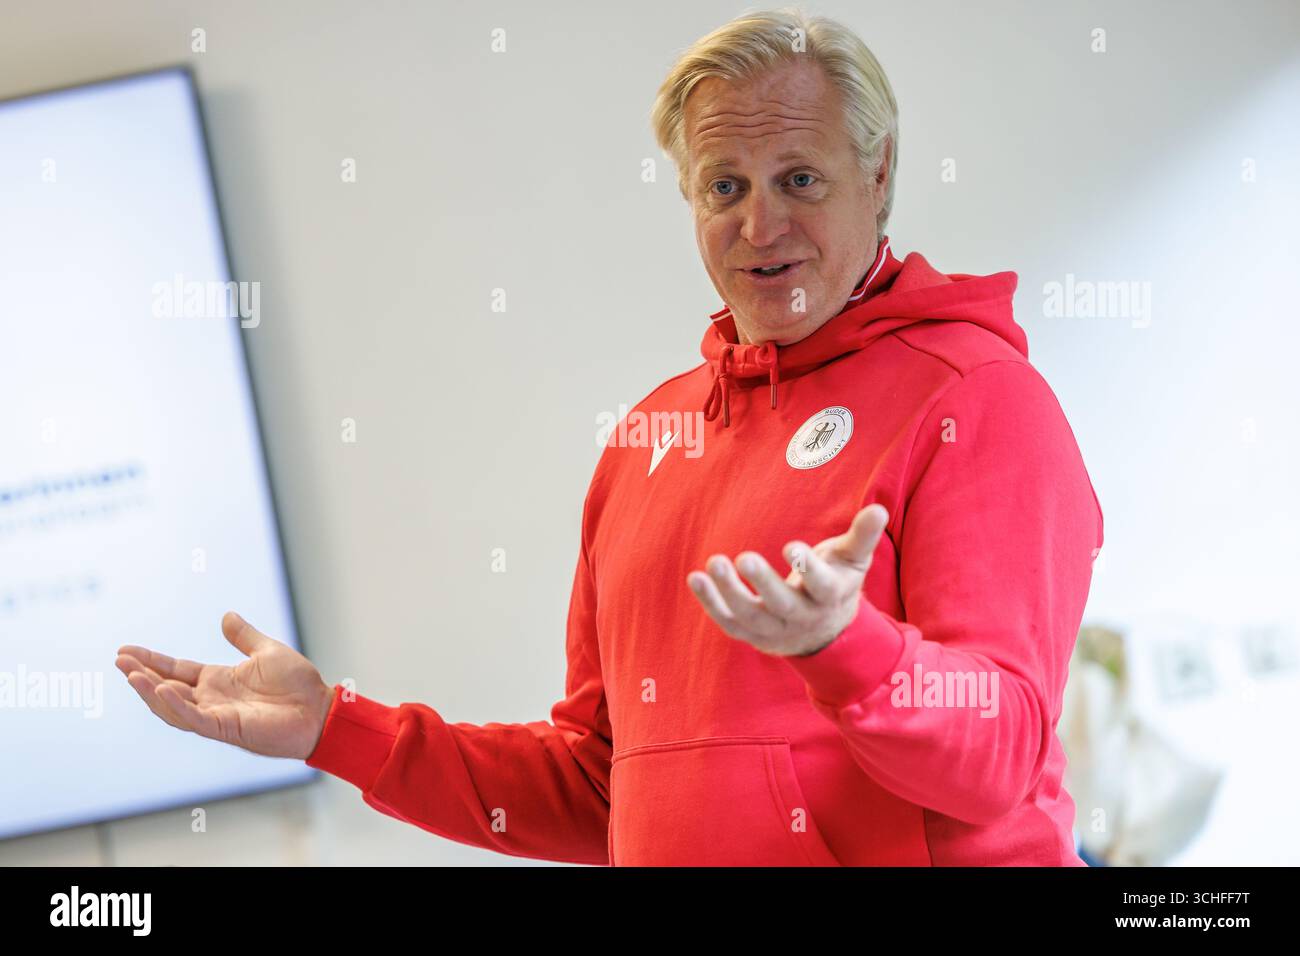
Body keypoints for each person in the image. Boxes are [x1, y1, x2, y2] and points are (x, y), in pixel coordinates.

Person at [116, 7, 1103, 866]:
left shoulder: (978, 398)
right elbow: (597, 781)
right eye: (724, 187)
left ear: (877, 174)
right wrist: (335, 727)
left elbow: (1000, 747)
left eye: (799, 178)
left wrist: (847, 646)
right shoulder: (650, 437)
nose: (760, 225)